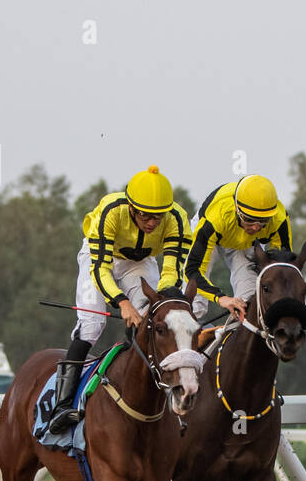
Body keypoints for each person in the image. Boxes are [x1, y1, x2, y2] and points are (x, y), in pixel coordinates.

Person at [45, 165, 192, 434]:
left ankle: (155, 396)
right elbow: (100, 268)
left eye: (158, 217)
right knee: (91, 325)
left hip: (139, 263)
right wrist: (121, 302)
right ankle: (62, 405)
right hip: (100, 258)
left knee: (152, 318)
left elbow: (172, 271)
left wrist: (163, 303)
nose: (152, 223)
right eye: (146, 216)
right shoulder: (111, 211)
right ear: (132, 207)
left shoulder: (177, 220)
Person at [186, 174, 292, 321]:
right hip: (218, 231)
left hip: (247, 243)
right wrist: (221, 298)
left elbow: (285, 269)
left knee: (247, 306)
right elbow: (191, 270)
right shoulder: (215, 218)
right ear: (237, 210)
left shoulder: (279, 219)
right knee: (194, 306)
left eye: (263, 221)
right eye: (249, 219)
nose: (255, 227)